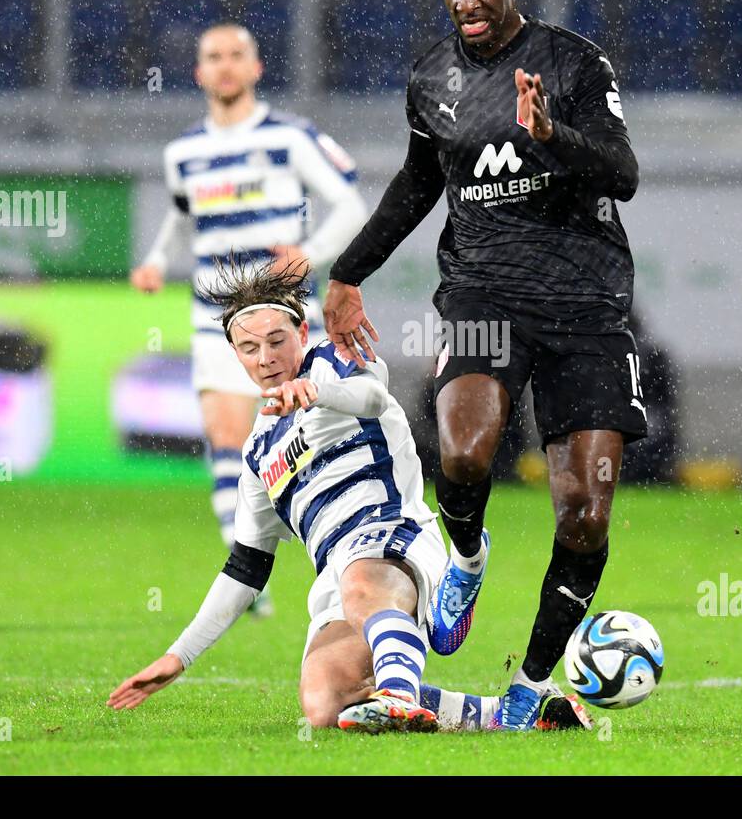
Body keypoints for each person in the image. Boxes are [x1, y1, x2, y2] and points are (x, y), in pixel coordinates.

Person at [322, 0, 645, 729]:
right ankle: (466, 554)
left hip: (586, 306)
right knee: (463, 453)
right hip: (482, 294)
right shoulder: (431, 78)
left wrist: (552, 136)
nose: (467, 1)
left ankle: (531, 685)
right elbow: (416, 183)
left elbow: (625, 174)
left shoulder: (573, 62)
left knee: (585, 512)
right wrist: (347, 271)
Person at [107, 259, 589, 733]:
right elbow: (247, 567)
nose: (266, 357)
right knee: (325, 703)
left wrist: (317, 392)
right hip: (338, 575)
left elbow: (375, 397)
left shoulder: (336, 359)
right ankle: (505, 716)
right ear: (235, 354)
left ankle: (403, 684)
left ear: (301, 330)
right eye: (249, 348)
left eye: (277, 340)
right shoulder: (258, 451)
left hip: (393, 535)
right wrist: (178, 656)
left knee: (363, 586)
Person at [130, 24, 368, 617]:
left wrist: (310, 253)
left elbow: (350, 203)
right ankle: (249, 581)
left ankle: (347, 553)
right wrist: (158, 259)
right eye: (214, 57)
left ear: (257, 68)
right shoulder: (182, 153)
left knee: (313, 440)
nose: (226, 66)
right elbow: (181, 216)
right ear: (199, 73)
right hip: (217, 320)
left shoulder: (290, 137)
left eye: (237, 55)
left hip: (288, 317)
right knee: (228, 441)